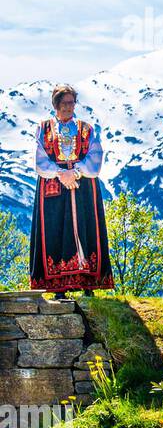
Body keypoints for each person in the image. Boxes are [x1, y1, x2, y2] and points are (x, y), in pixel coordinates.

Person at [30, 84, 113, 296]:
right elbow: (40, 160)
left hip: (82, 184)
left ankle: (88, 283)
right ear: (56, 104)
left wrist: (74, 173)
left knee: (86, 228)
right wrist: (61, 174)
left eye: (71, 102)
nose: (68, 107)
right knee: (55, 231)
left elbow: (95, 157)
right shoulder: (44, 128)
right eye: (64, 103)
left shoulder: (86, 129)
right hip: (53, 186)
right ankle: (58, 286)